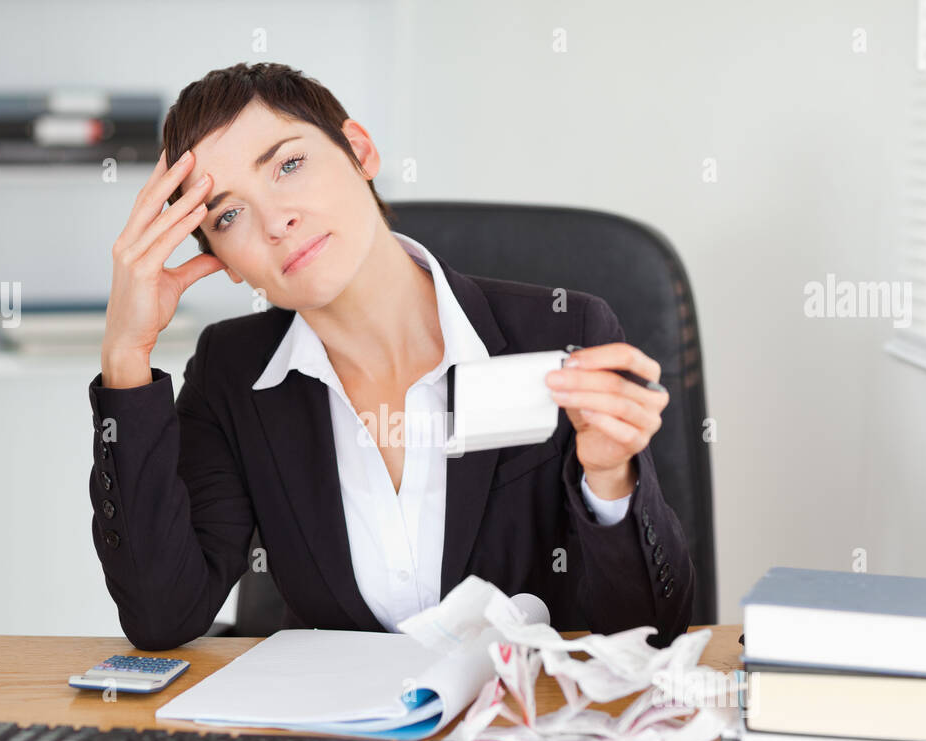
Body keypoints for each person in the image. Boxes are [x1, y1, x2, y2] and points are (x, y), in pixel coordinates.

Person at [88, 62, 693, 650]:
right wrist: (126, 353)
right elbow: (163, 615)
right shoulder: (231, 372)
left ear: (360, 150)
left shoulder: (563, 331)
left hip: (519, 734)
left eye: (289, 165)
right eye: (229, 215)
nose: (276, 221)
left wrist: (611, 480)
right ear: (223, 260)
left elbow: (645, 634)